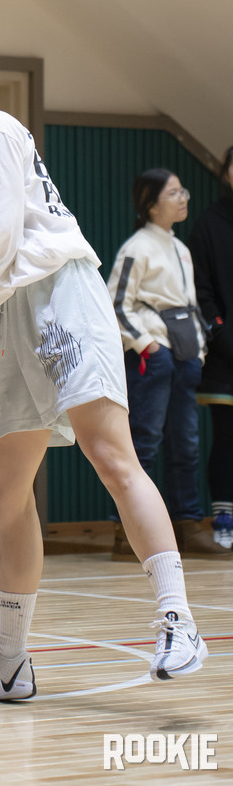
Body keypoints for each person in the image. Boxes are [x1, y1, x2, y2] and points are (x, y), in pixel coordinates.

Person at [0, 19, 208, 700]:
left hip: (58, 295)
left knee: (112, 455)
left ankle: (177, 617)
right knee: (4, 489)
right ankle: (10, 661)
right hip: (4, 315)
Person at [106, 169, 230, 561]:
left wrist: (197, 353)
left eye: (183, 191)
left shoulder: (181, 248)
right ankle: (126, 534)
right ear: (151, 204)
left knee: (186, 445)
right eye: (174, 193)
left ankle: (188, 527)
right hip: (155, 359)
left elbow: (192, 305)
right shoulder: (135, 248)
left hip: (185, 357)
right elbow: (116, 306)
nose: (183, 199)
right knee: (143, 441)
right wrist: (148, 347)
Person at [188, 146, 233, 550]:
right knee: (227, 438)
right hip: (225, 357)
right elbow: (200, 290)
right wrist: (220, 331)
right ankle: (224, 518)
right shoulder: (208, 224)